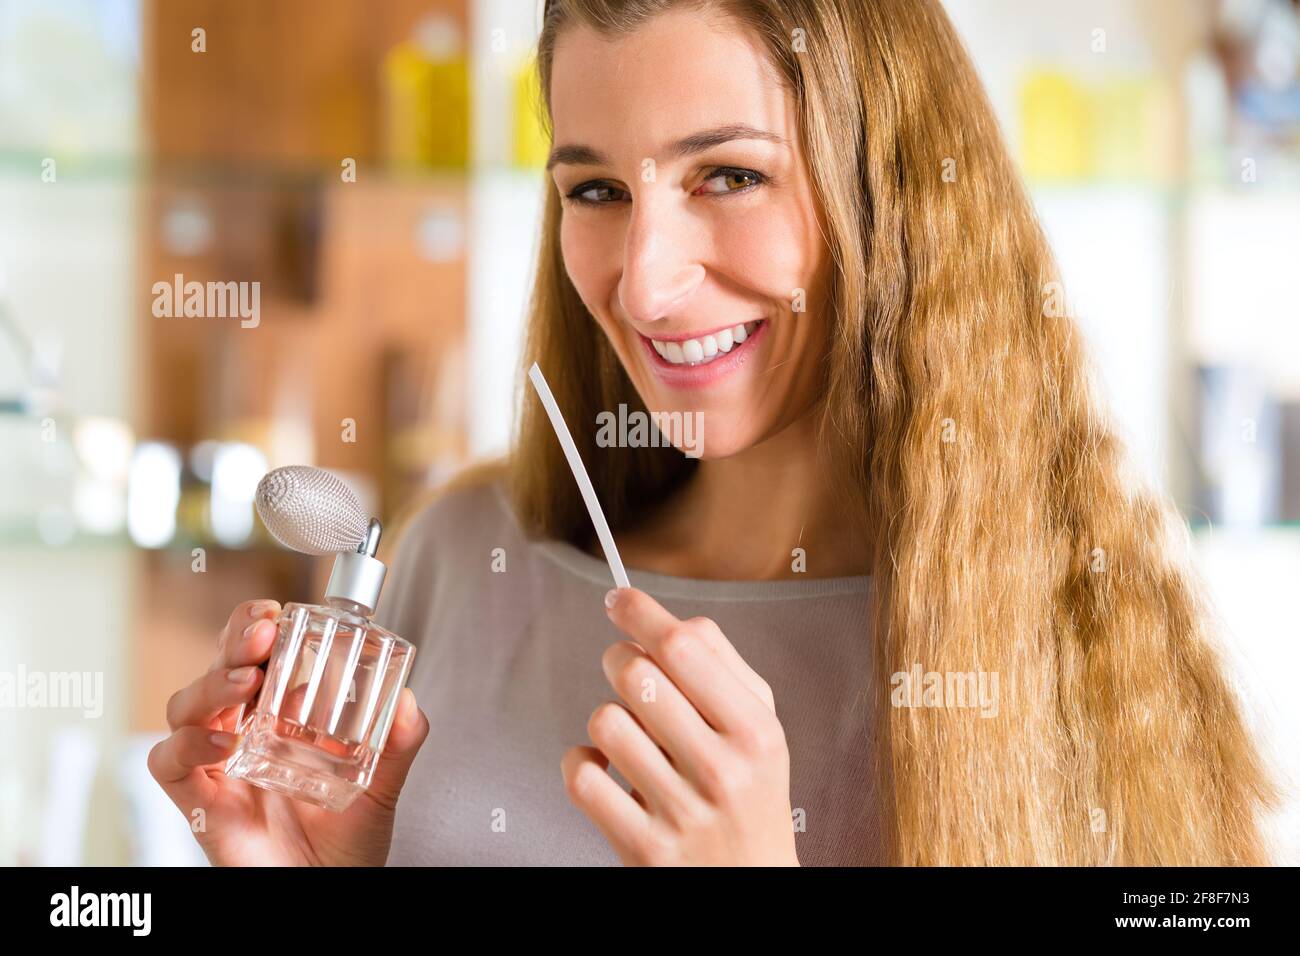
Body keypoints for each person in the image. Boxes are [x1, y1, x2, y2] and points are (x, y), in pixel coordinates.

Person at [150, 0, 1278, 866]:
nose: (642, 286)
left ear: (888, 195)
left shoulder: (1064, 630)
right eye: (594, 191)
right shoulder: (460, 554)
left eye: (728, 174)